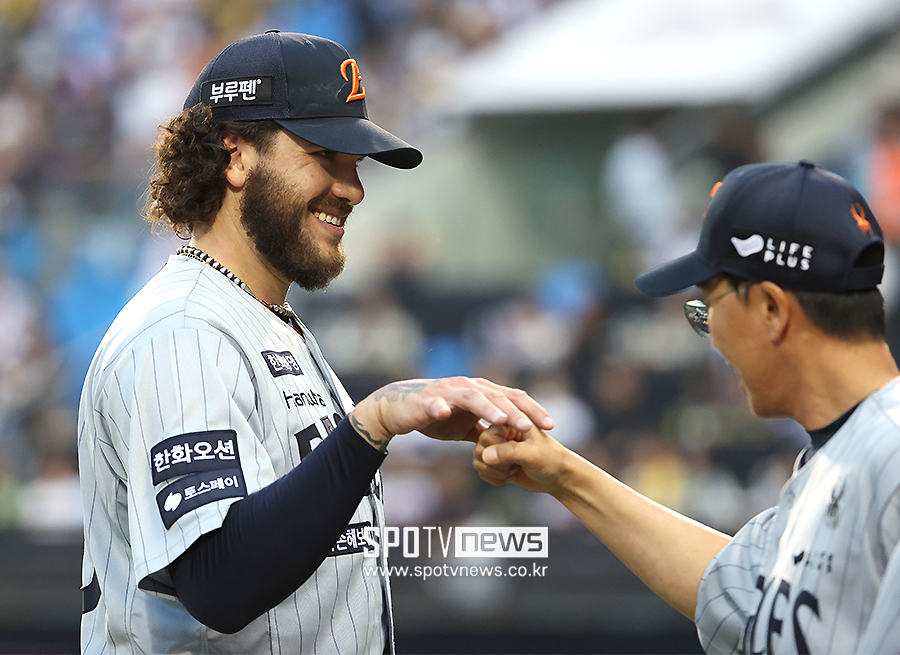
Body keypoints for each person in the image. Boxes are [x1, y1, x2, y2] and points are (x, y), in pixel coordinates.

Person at [77, 31, 554, 655]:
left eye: (355, 163)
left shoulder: (260, 316)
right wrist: (370, 426)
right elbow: (218, 582)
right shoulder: (184, 331)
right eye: (324, 154)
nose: (353, 188)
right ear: (235, 156)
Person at [475, 160, 900, 654]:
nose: (712, 337)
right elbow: (736, 589)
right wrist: (563, 474)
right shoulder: (841, 452)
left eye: (709, 308)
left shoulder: (889, 455)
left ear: (771, 309)